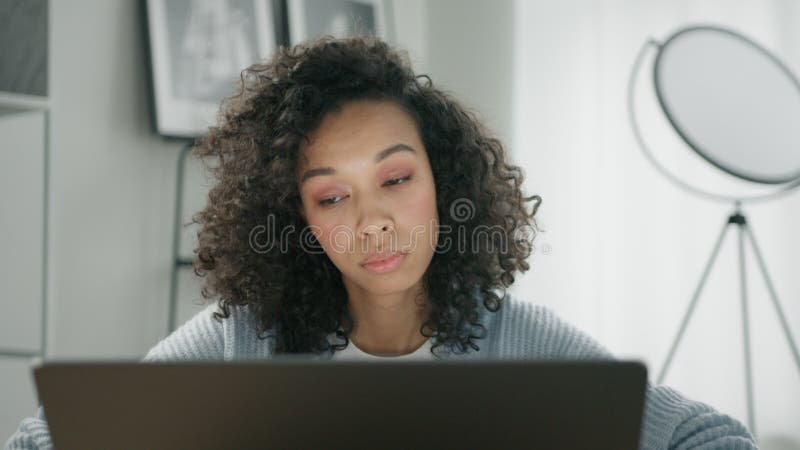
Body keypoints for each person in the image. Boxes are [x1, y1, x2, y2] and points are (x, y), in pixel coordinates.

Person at [5, 35, 756, 450]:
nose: (372, 222)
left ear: (444, 180)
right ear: (299, 219)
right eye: (333, 195)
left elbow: (710, 439)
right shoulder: (243, 342)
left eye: (395, 180)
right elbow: (46, 442)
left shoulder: (516, 342)